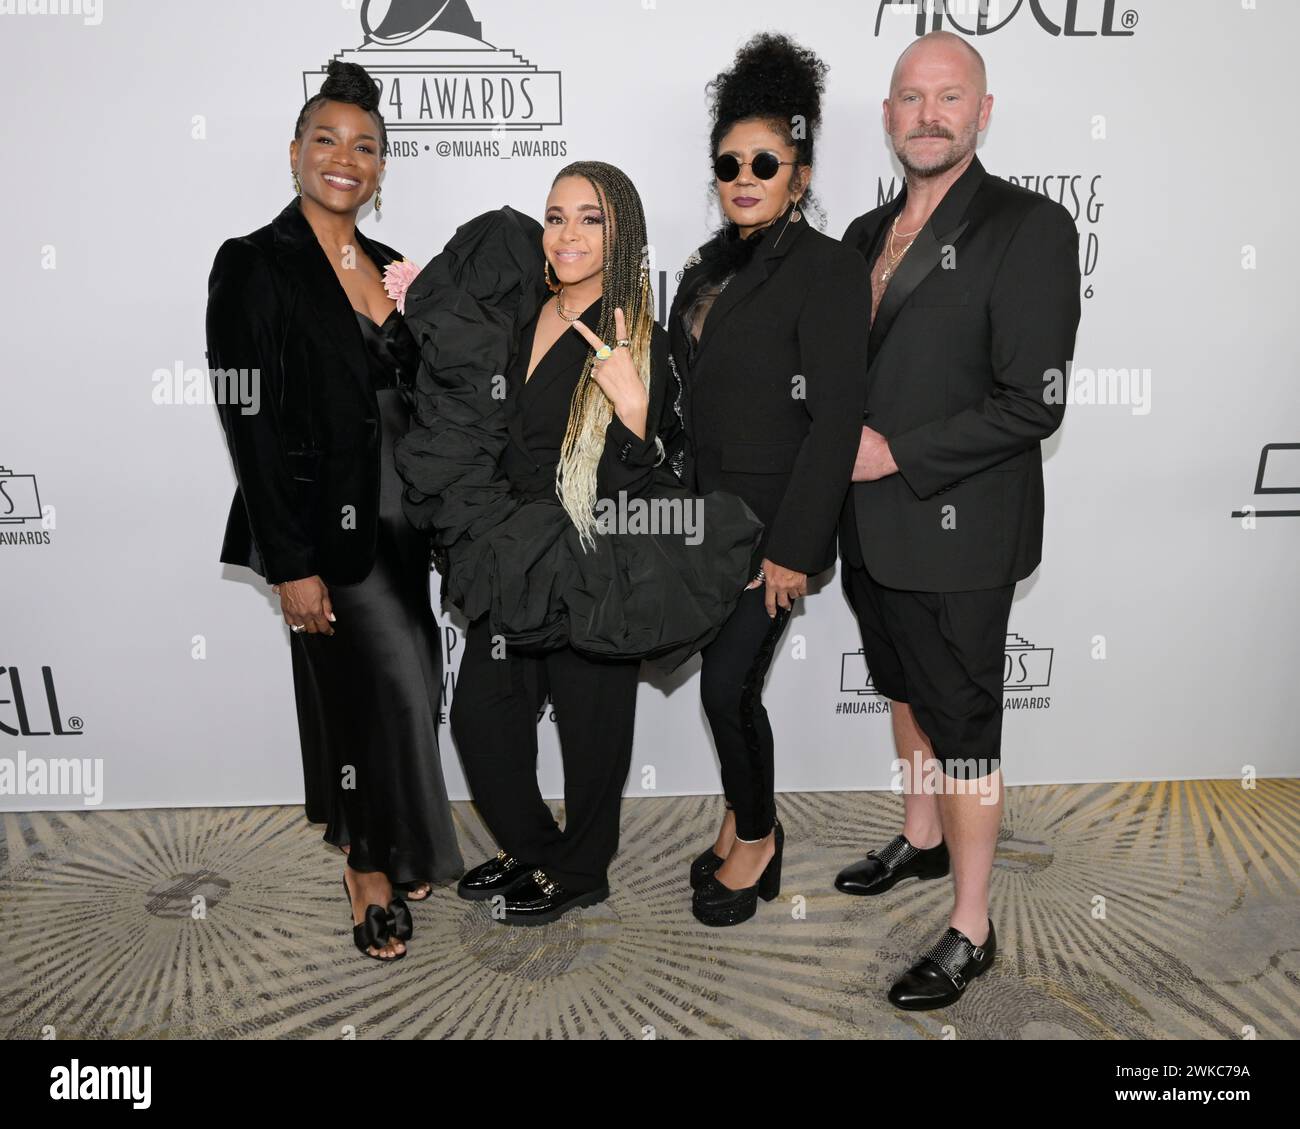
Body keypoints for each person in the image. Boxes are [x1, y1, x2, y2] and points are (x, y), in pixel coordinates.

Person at [835, 31, 1081, 1008]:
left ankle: (970, 926)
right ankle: (923, 835)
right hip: (865, 524)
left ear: (982, 113)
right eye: (908, 97)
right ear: (887, 114)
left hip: (960, 527)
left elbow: (1036, 399)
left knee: (965, 725)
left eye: (948, 97)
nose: (925, 114)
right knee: (900, 685)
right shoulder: (859, 234)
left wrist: (896, 451)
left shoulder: (1029, 227)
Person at [206, 60, 463, 962]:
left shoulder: (398, 267)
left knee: (408, 689)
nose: (345, 159)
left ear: (382, 169)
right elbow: (251, 420)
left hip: (407, 529)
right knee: (356, 696)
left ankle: (388, 839)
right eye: (327, 140)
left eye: (366, 148)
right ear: (295, 152)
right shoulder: (254, 264)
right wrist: (289, 561)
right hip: (322, 530)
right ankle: (366, 867)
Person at [446, 162, 685, 926]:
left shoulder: (641, 337)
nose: (568, 234)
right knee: (482, 717)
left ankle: (582, 869)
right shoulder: (520, 312)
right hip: (512, 554)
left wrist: (637, 409)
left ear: (622, 235)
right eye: (555, 217)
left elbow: (654, 487)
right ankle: (536, 846)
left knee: (592, 729)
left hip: (590, 559)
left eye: (590, 218)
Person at [669, 33, 872, 927]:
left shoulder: (827, 269)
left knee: (723, 687)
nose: (744, 175)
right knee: (733, 688)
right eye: (728, 162)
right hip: (705, 524)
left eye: (765, 161)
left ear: (800, 169)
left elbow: (835, 421)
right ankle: (738, 817)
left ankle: (760, 838)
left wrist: (794, 548)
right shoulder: (706, 269)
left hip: (771, 529)